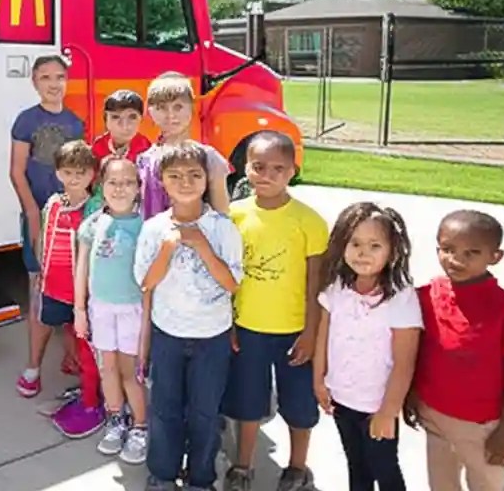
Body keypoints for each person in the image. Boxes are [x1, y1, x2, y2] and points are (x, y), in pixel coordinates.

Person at [133, 141, 244, 491]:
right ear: (161, 182)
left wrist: (202, 245)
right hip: (168, 334)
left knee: (205, 412)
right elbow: (145, 282)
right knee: (165, 410)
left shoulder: (222, 227)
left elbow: (233, 283)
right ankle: (162, 474)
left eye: (194, 175)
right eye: (175, 176)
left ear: (206, 180)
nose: (185, 182)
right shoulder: (153, 228)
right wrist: (167, 250)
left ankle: (201, 478)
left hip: (212, 337)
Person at [221, 131, 329, 491]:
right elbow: (227, 276)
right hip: (248, 328)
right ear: (245, 167)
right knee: (247, 402)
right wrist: (230, 323)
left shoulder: (308, 221)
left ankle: (298, 467)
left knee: (299, 405)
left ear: (292, 171)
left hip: (294, 332)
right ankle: (243, 465)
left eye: (277, 168)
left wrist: (311, 333)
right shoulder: (234, 216)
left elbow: (318, 285)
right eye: (258, 166)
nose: (266, 175)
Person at [405, 210, 504, 491]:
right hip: (432, 413)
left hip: (480, 425)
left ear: (495, 257)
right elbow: (415, 350)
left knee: (487, 483)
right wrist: (411, 393)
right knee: (442, 482)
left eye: (471, 252)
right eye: (448, 250)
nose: (456, 260)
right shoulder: (425, 296)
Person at [313, 202, 422, 491]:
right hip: (341, 398)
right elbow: (324, 333)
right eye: (355, 243)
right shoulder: (336, 286)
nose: (363, 253)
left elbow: (404, 361)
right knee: (356, 466)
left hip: (377, 404)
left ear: (392, 250)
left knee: (385, 470)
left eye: (375, 245)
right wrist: (319, 381)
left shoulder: (401, 297)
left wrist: (388, 411)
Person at [11, 56, 86, 398]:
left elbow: (82, 177)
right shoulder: (26, 121)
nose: (53, 84)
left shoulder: (75, 124)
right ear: (34, 82)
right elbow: (17, 172)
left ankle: (72, 356)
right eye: (45, 78)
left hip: (71, 221)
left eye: (59, 77)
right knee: (38, 291)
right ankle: (33, 367)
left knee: (74, 290)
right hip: (39, 218)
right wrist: (33, 217)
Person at [20, 140, 104, 438]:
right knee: (63, 329)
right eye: (68, 172)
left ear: (93, 174)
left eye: (81, 172)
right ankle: (81, 388)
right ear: (58, 173)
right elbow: (44, 235)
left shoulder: (95, 207)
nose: (74, 178)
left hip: (83, 293)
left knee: (87, 344)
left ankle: (93, 399)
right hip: (53, 286)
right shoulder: (53, 202)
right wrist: (41, 270)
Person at [73, 156, 149, 463]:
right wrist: (80, 309)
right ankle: (116, 419)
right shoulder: (93, 224)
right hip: (100, 307)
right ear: (101, 187)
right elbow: (81, 269)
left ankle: (140, 426)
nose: (119, 189)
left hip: (131, 308)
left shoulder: (145, 227)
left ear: (139, 188)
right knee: (107, 368)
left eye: (127, 182)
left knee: (129, 372)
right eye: (113, 183)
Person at [136, 72, 232, 219]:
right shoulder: (144, 160)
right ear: (149, 111)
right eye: (161, 107)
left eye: (178, 107)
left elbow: (222, 213)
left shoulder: (208, 157)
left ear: (191, 108)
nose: (170, 115)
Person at [84, 89, 153, 217]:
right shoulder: (98, 147)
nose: (124, 125)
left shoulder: (147, 149)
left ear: (141, 119)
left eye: (132, 117)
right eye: (115, 117)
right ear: (106, 119)